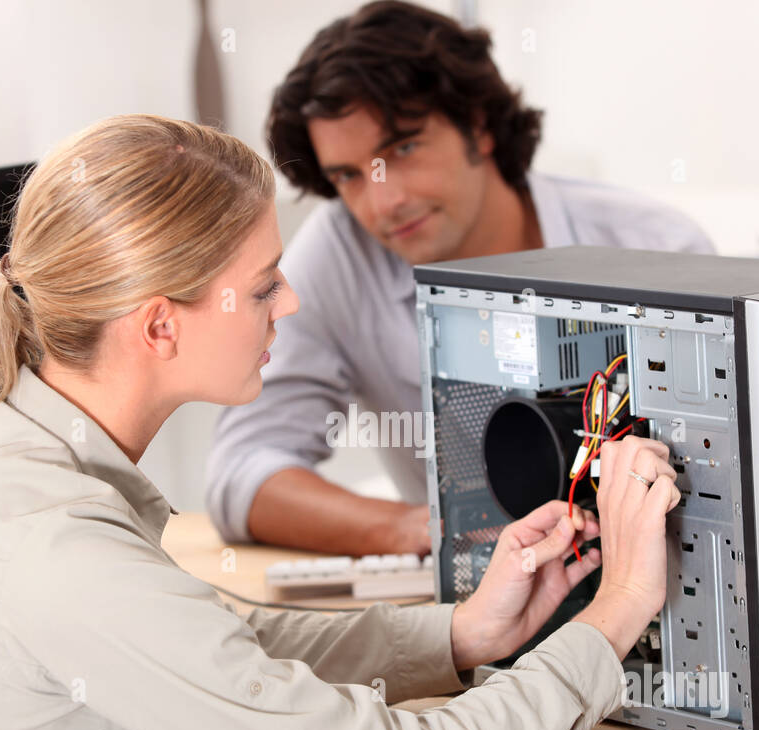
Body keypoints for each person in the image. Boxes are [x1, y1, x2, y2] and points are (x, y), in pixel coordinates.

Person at [0, 114, 680, 730]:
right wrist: (618, 610)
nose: (292, 299)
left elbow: (212, 645)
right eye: (261, 285)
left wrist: (457, 636)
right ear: (160, 325)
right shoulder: (54, 550)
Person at [205, 0, 711, 556]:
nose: (383, 202)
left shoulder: (657, 245)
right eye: (348, 175)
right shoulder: (340, 252)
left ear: (479, 125)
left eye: (403, 148)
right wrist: (426, 531)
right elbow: (242, 474)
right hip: (475, 607)